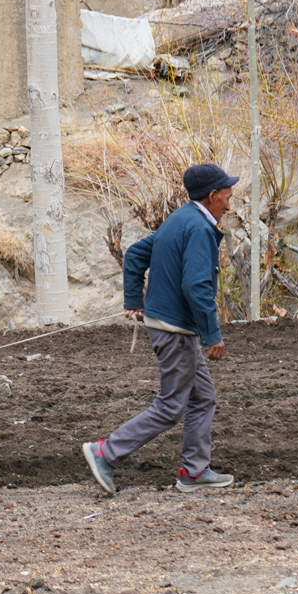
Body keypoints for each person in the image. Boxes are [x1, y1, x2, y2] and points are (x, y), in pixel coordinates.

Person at [81, 164, 238, 496]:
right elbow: (197, 286)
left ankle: (195, 471)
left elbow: (137, 253)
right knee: (170, 406)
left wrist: (134, 299)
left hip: (169, 326)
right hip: (176, 330)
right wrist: (213, 334)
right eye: (226, 195)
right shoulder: (198, 229)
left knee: (202, 396)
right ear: (212, 196)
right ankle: (105, 453)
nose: (229, 202)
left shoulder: (180, 219)